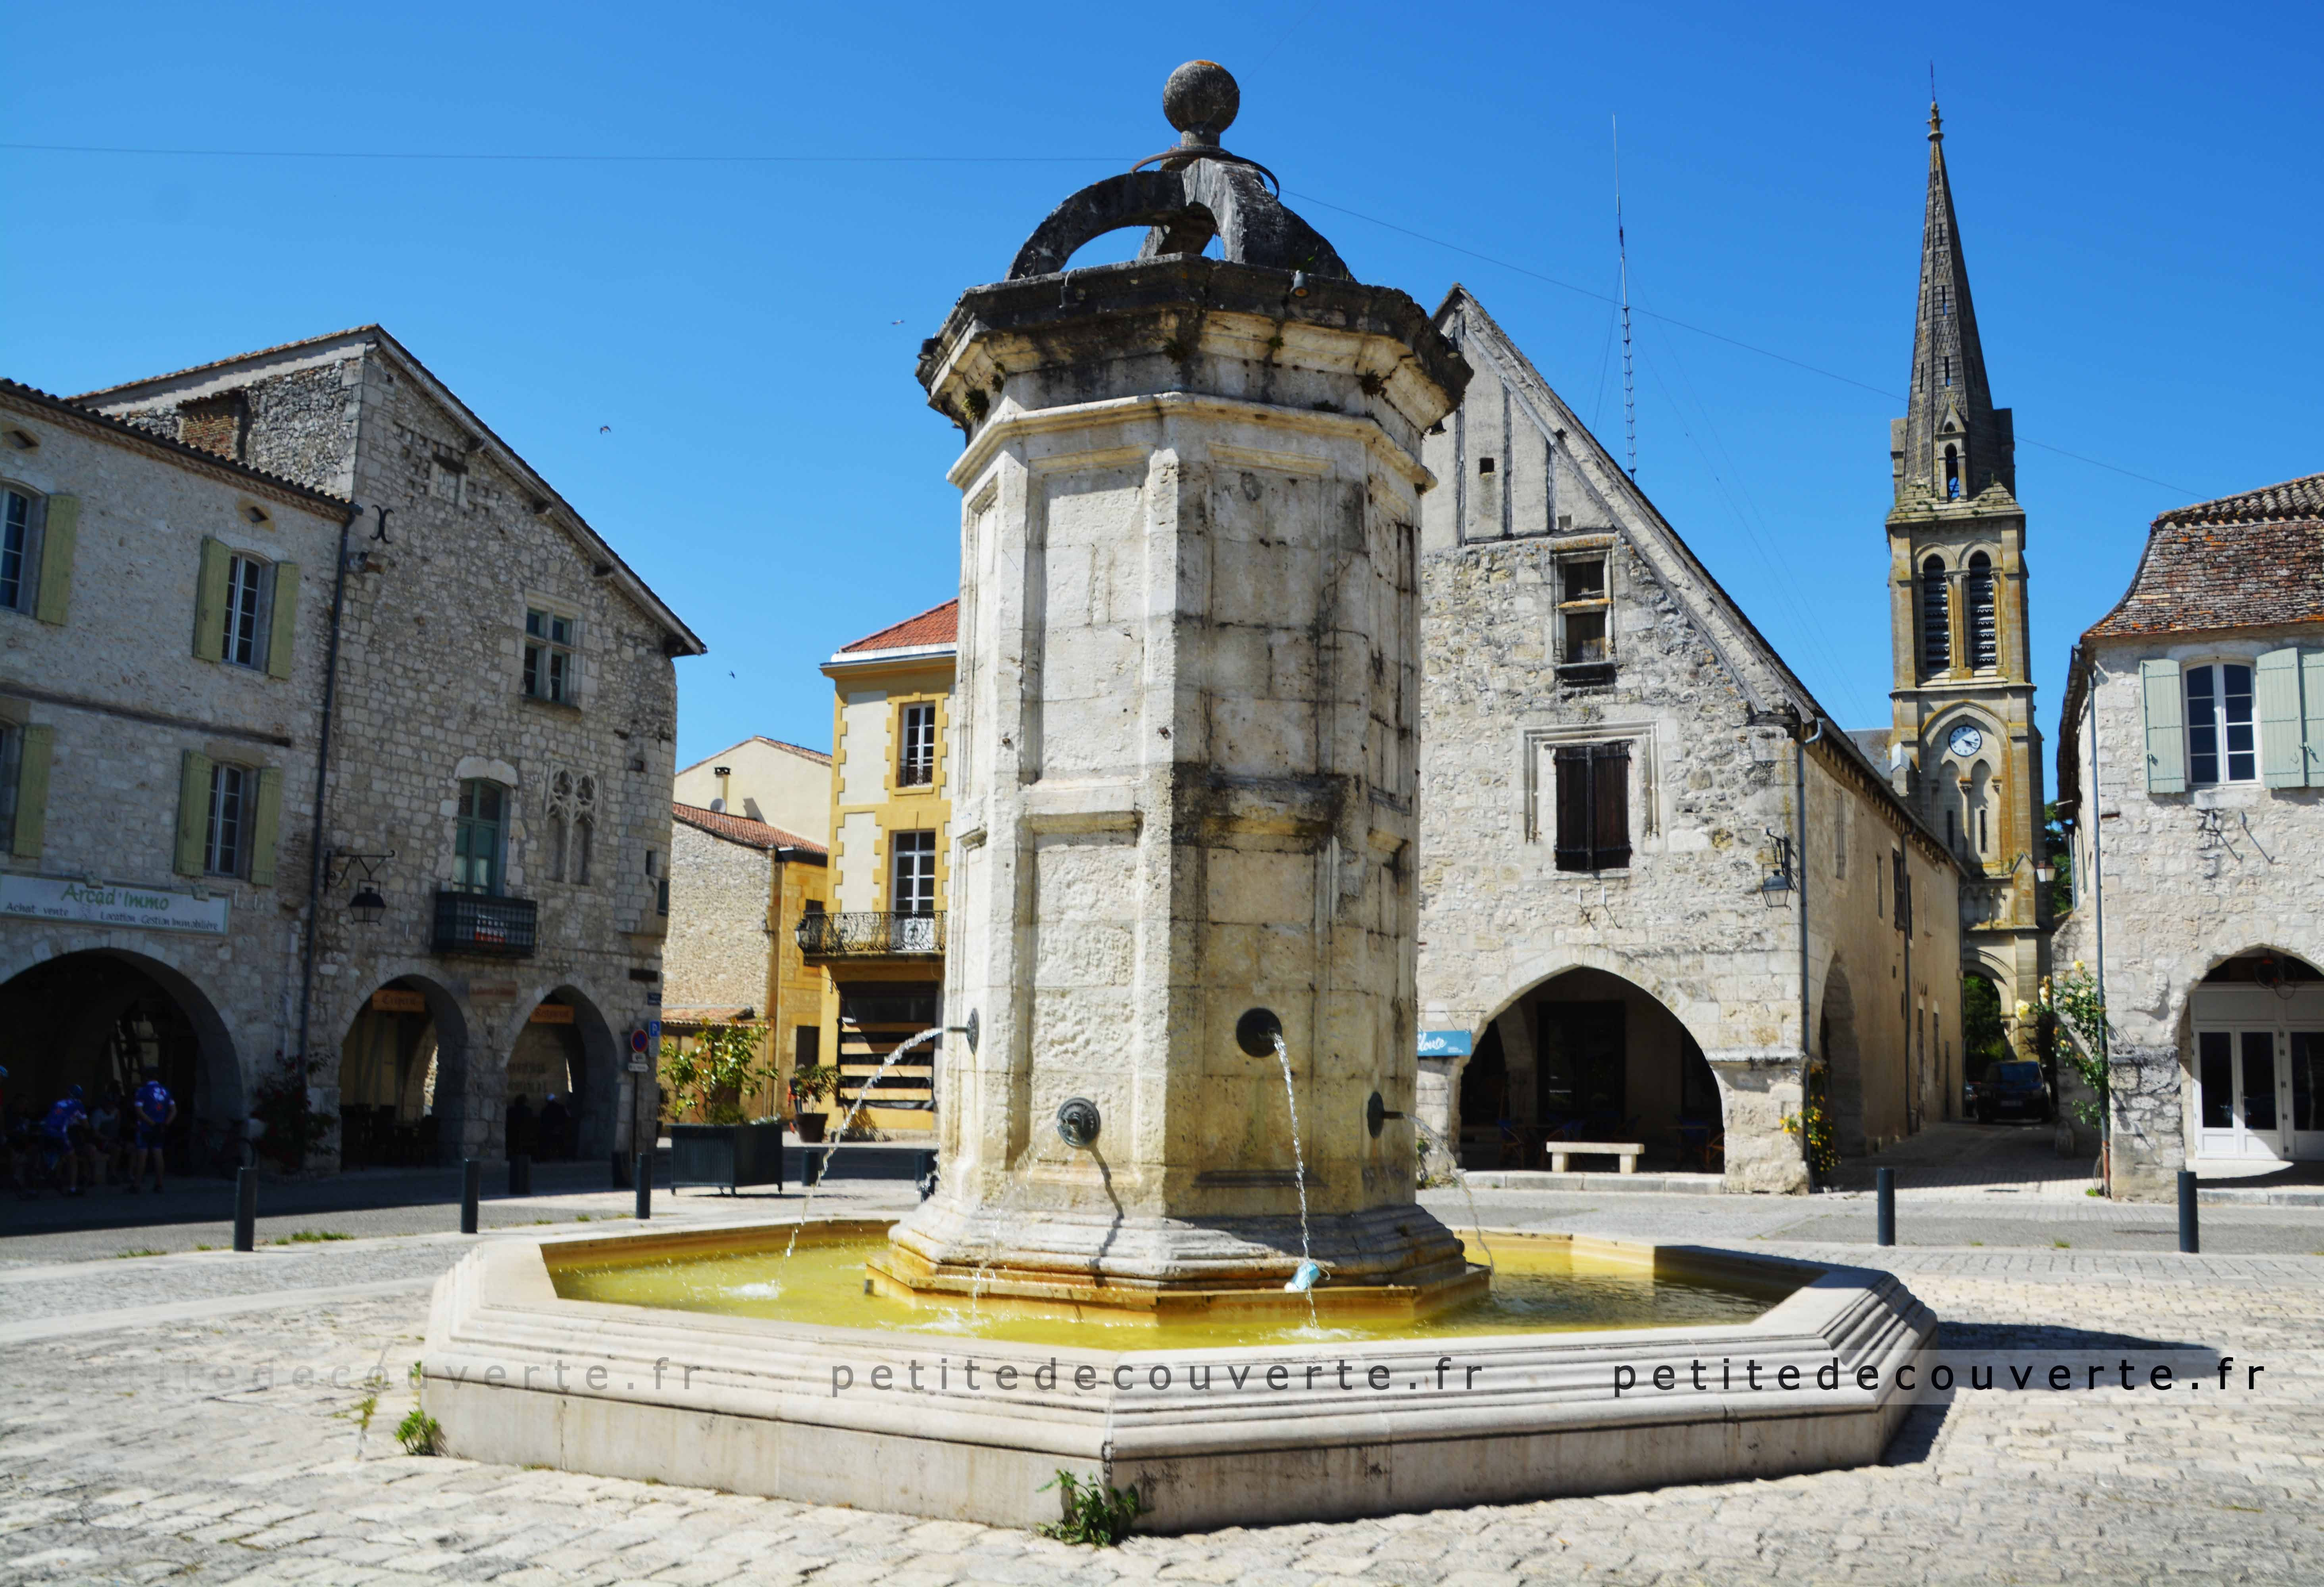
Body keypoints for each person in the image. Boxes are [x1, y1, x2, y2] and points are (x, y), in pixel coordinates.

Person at [127, 1073, 176, 1193]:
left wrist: (151, 1123)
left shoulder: (143, 1091)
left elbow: (139, 1111)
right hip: (160, 1128)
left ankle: (137, 1185)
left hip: (145, 1128)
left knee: (142, 1156)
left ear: (146, 1078)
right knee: (158, 1154)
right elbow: (174, 1111)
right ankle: (159, 1184)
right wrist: (165, 1124)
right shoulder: (166, 1091)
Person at [38, 1086, 90, 1196]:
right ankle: (72, 1189)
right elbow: (86, 1125)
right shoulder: (78, 1105)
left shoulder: (58, 1103)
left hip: (45, 1131)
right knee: (73, 1158)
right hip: (60, 1133)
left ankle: (40, 1182)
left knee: (56, 1155)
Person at [537, 1094, 570, 1161]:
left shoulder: (545, 1110)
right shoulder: (562, 1108)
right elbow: (568, 1118)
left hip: (549, 1131)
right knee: (561, 1142)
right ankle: (563, 1156)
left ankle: (547, 1156)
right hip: (560, 1130)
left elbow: (543, 1122)